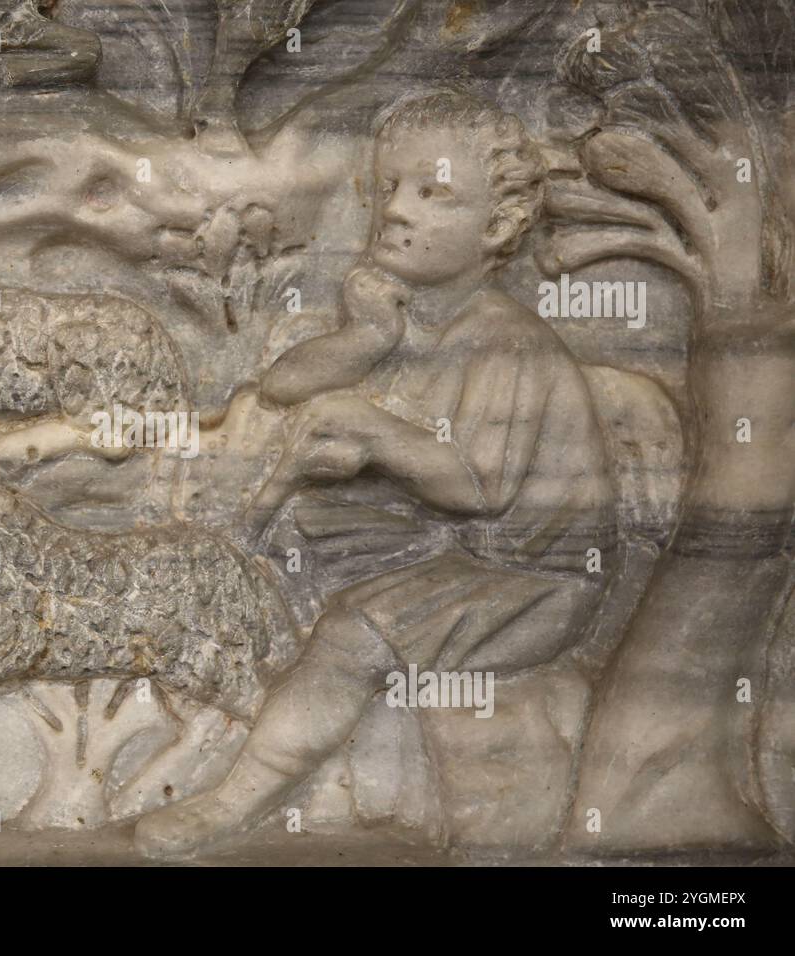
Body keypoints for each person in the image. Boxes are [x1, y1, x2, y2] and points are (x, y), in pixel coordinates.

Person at [135, 90, 617, 857]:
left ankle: (236, 799)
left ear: (497, 227)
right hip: (459, 552)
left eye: (434, 194)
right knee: (300, 521)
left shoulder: (505, 339)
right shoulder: (406, 318)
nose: (396, 210)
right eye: (389, 188)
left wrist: (376, 432)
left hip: (535, 578)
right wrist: (365, 336)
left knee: (349, 636)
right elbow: (285, 386)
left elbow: (478, 489)